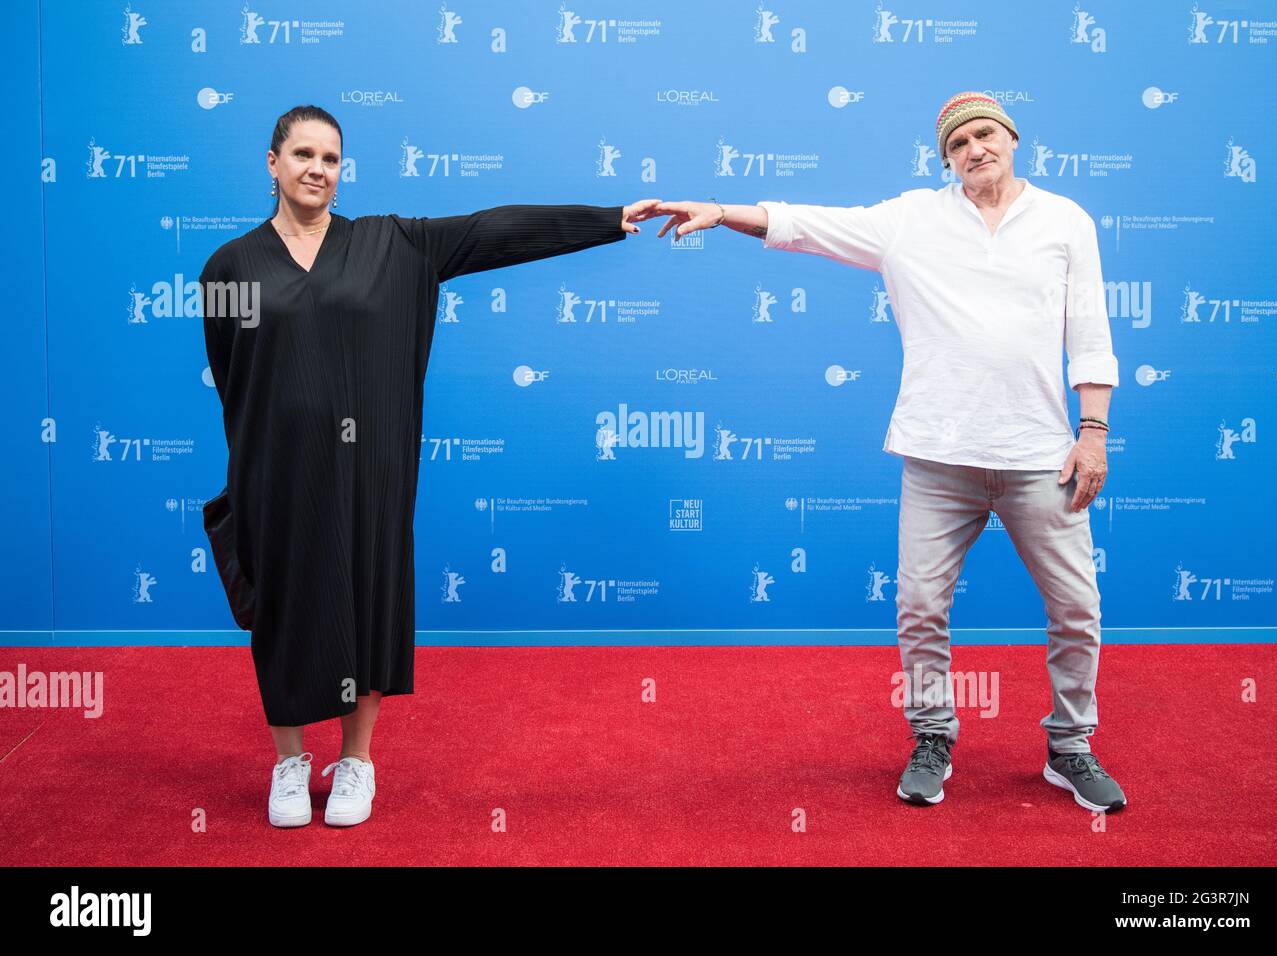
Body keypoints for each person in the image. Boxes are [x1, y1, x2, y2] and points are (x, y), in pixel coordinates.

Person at [652, 91, 1127, 813]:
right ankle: (932, 735)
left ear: (1013, 138)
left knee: (1077, 606)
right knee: (918, 606)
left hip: (1040, 455)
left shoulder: (1066, 221)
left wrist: (1093, 431)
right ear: (946, 158)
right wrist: (721, 213)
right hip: (938, 455)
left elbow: (1090, 329)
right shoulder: (911, 220)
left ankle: (1070, 747)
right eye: (958, 142)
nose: (975, 148)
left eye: (986, 134)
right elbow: (808, 225)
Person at [200, 104, 664, 828]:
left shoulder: (393, 245)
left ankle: (357, 762)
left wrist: (605, 218)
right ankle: (289, 761)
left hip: (369, 473)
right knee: (283, 609)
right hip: (277, 473)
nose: (317, 169)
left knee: (368, 598)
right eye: (302, 155)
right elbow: (231, 375)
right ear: (272, 163)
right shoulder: (228, 267)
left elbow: (491, 231)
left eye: (330, 157)